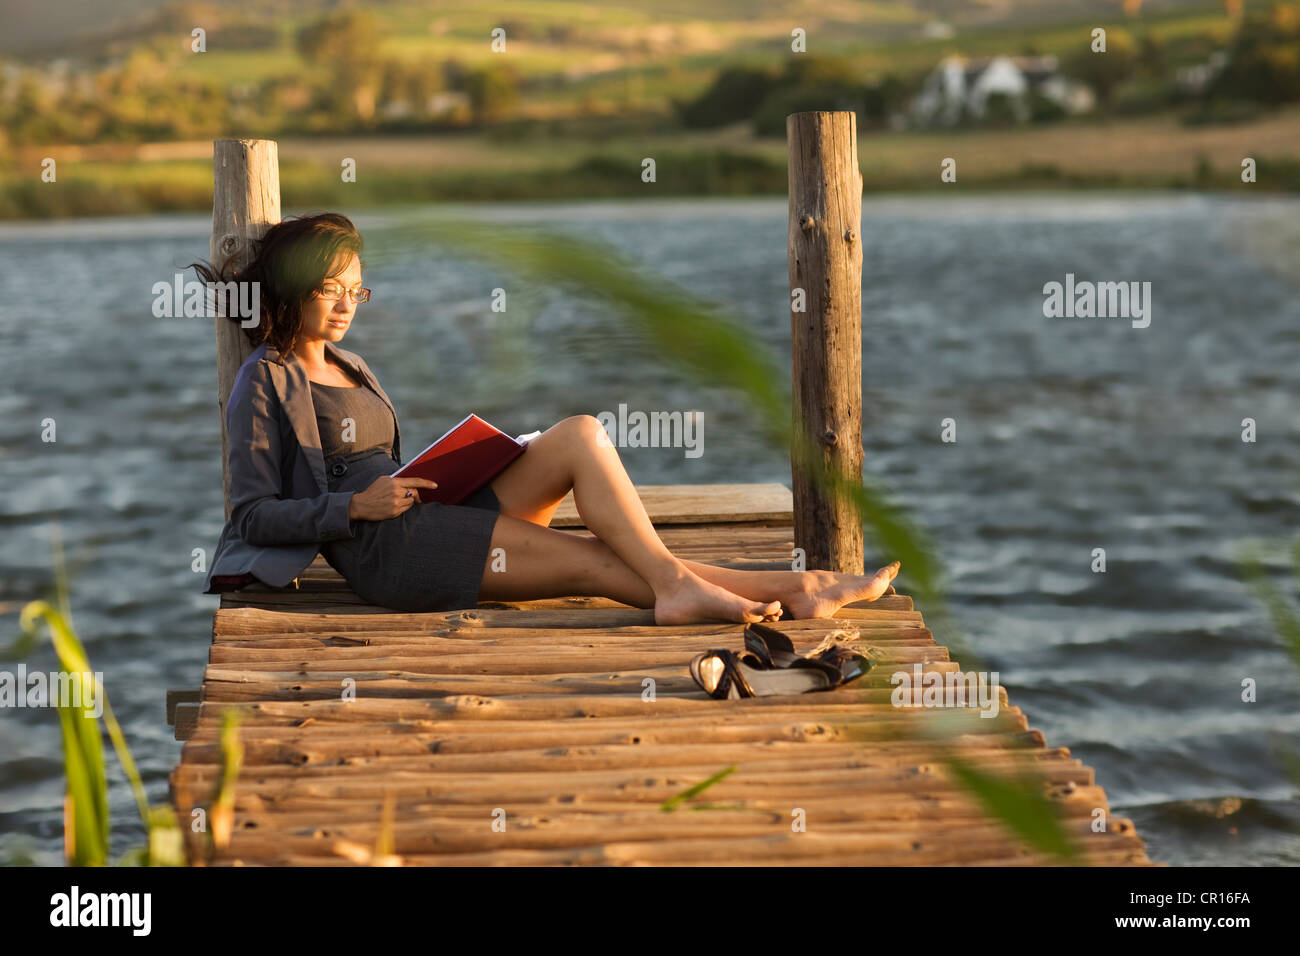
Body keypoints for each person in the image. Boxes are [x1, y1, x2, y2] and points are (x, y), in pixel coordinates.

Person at [195, 212, 900, 625]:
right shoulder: (265, 381)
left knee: (580, 435)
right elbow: (252, 516)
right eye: (330, 290)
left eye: (357, 290)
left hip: (431, 510)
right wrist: (353, 507)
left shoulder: (352, 367)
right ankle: (788, 586)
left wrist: (473, 463)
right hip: (390, 553)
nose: (348, 305)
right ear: (292, 291)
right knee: (595, 563)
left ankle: (755, 587)